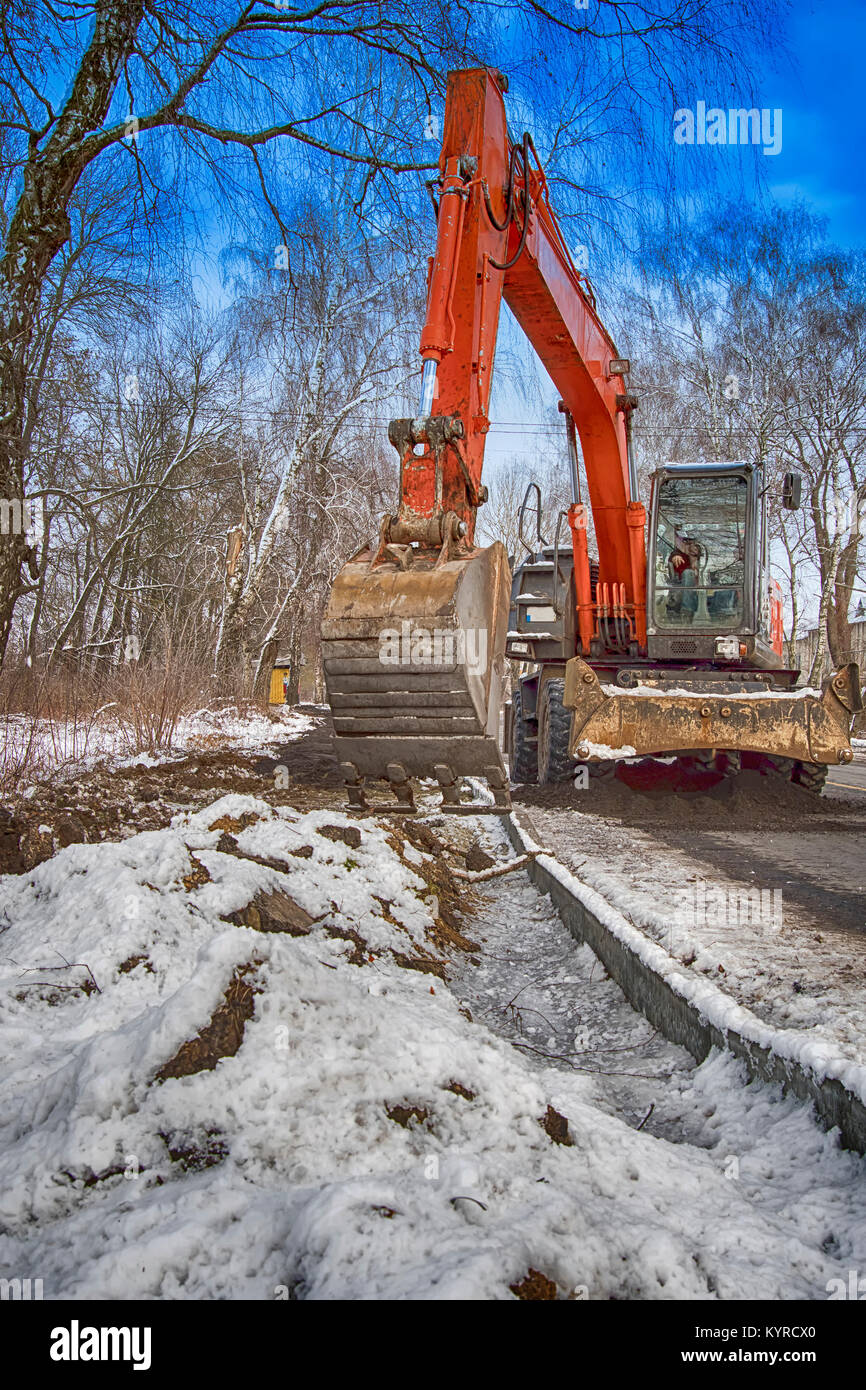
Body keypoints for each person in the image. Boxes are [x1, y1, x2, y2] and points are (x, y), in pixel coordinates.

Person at [666, 531, 701, 619]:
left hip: (703, 596)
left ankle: (727, 614)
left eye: (693, 544)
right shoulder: (681, 558)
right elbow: (674, 557)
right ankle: (687, 611)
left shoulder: (705, 562)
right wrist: (675, 555)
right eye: (687, 543)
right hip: (684, 596)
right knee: (688, 573)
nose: (692, 546)